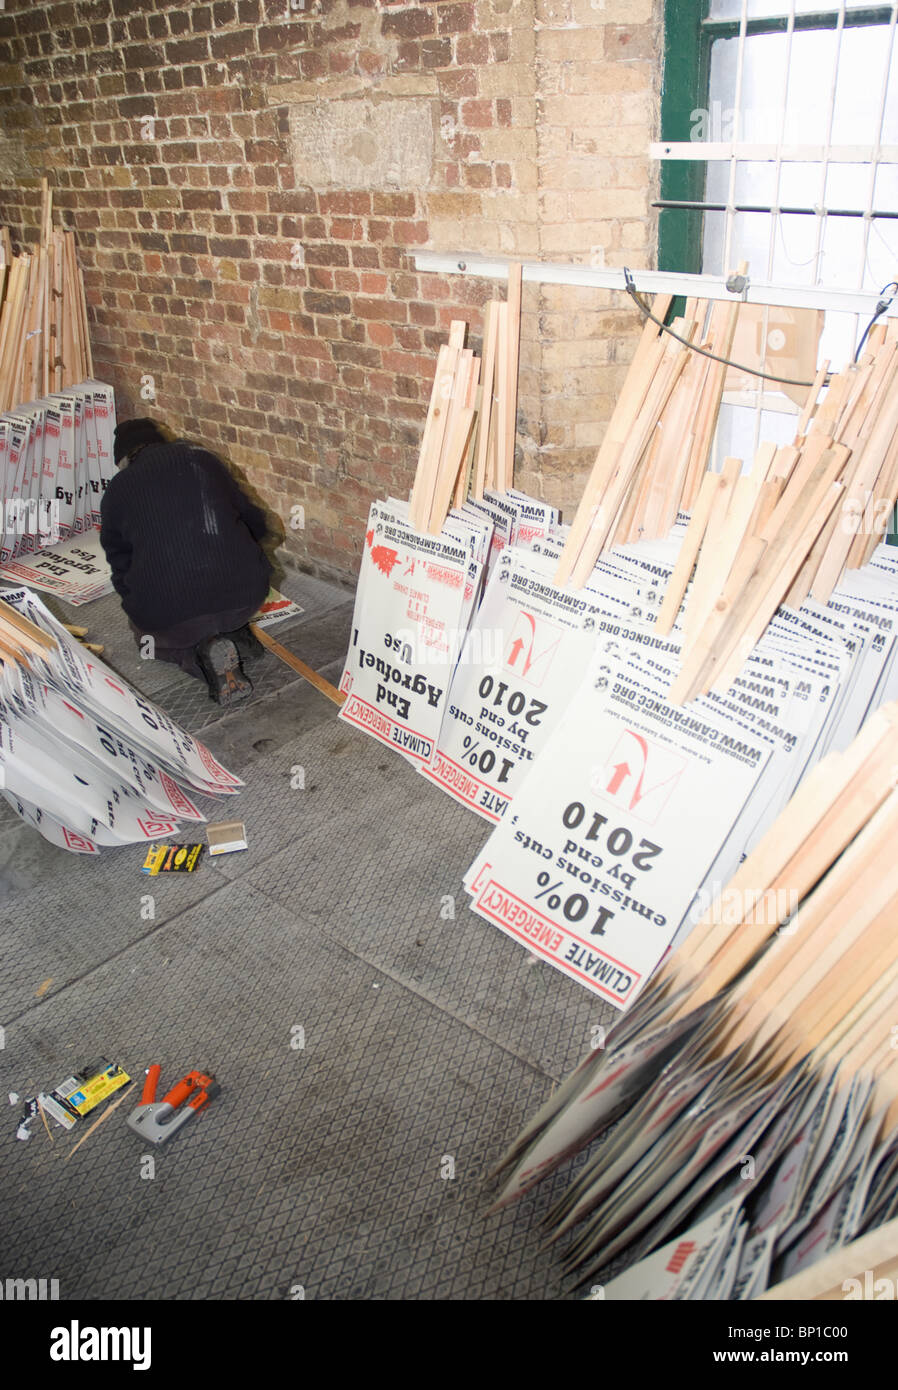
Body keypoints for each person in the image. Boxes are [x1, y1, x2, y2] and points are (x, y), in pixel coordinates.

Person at [99, 418, 273, 706]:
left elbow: (119, 564)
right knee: (218, 597)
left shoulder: (116, 491)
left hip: (174, 609)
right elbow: (258, 523)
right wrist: (249, 562)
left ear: (126, 458)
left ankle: (199, 655)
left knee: (148, 640)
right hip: (243, 593)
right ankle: (235, 630)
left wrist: (136, 604)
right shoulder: (203, 460)